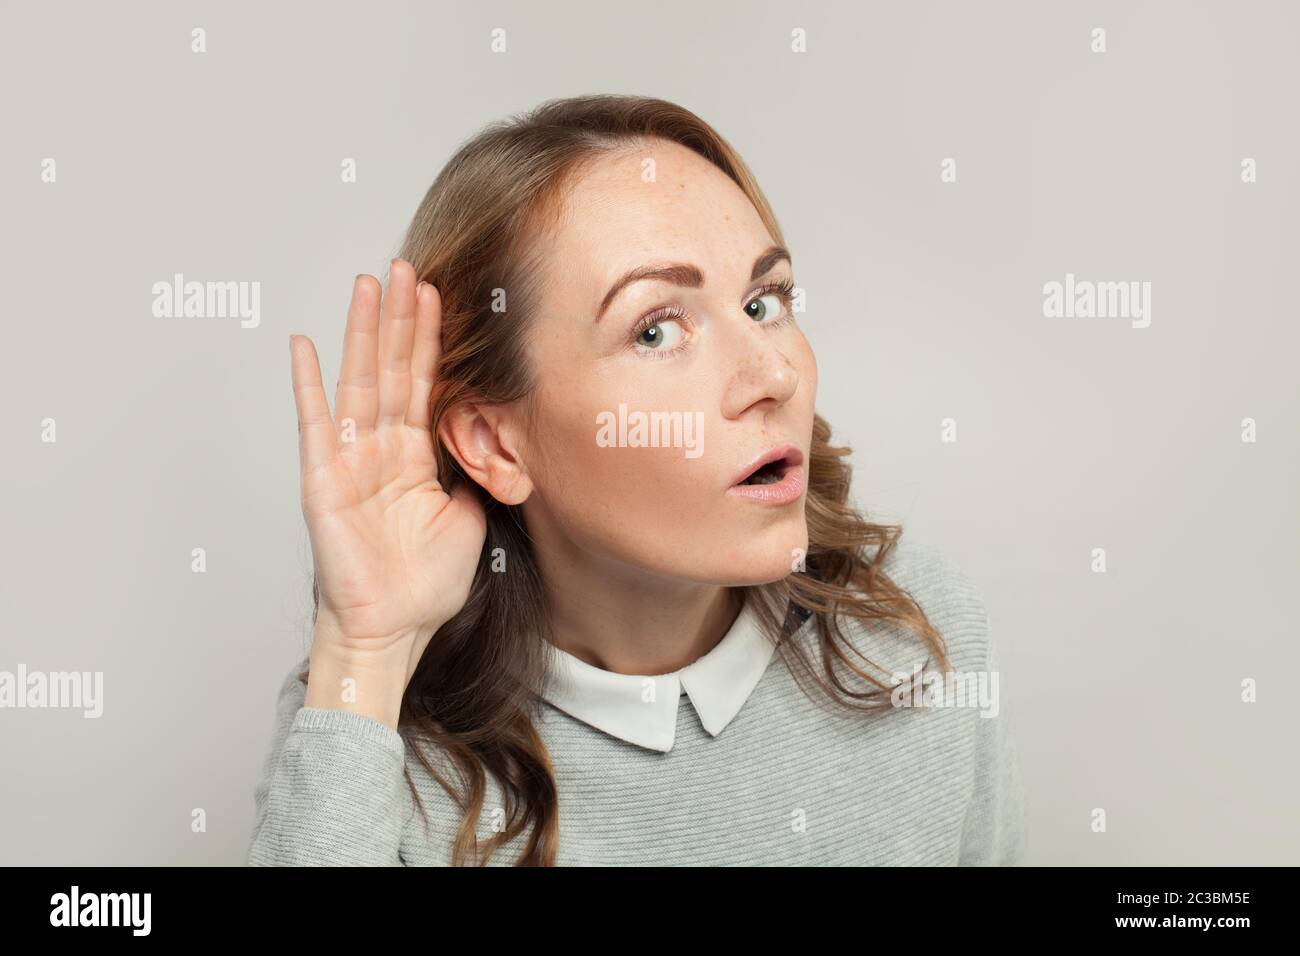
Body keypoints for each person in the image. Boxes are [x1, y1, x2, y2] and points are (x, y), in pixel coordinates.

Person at [250, 94, 1027, 866]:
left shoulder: (916, 639)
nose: (773, 372)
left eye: (765, 302)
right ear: (496, 443)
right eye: (656, 330)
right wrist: (366, 652)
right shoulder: (366, 724)